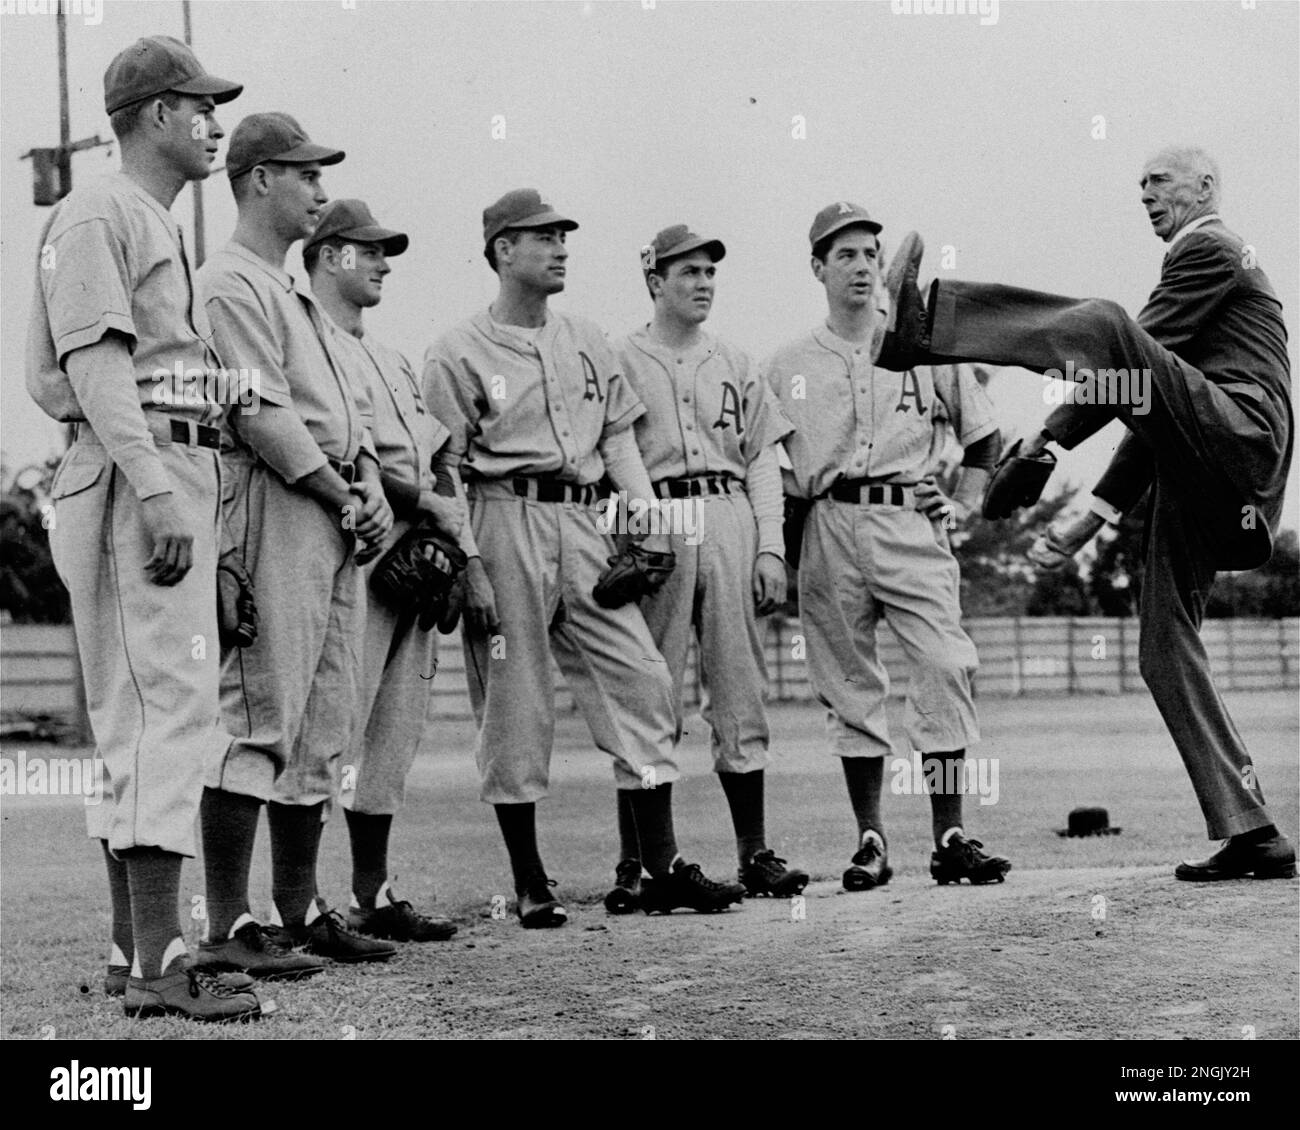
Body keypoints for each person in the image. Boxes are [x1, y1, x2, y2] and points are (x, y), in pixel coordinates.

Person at [878, 145, 1295, 881]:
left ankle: (930, 324)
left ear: (1206, 187)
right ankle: (1252, 830)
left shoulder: (1212, 249)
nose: (1145, 194)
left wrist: (1042, 443)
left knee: (1103, 322)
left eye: (1159, 181)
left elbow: (1123, 363)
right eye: (1138, 185)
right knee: (1162, 643)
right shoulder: (1195, 283)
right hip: (1210, 467)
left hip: (1241, 443)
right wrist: (1087, 519)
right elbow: (1153, 400)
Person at [423, 189, 746, 927]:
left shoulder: (587, 338)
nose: (562, 246)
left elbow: (617, 443)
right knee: (516, 699)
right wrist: (468, 556)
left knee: (645, 677)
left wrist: (649, 521)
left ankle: (661, 865)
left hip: (585, 519)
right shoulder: (457, 350)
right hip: (503, 517)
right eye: (544, 236)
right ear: (504, 250)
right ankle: (531, 879)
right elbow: (446, 467)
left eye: (564, 234)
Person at [27, 35, 261, 1020]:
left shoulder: (138, 217)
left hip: (163, 459)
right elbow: (89, 368)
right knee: (163, 712)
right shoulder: (97, 212)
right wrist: (156, 486)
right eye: (198, 106)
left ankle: (137, 948)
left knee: (153, 714)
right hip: (138, 473)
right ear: (157, 114)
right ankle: (160, 956)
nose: (212, 124)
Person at [195, 113, 400, 976]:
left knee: (322, 719)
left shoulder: (289, 292)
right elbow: (259, 411)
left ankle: (299, 907)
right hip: (274, 499)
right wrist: (336, 488)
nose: (319, 189)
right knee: (258, 715)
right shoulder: (228, 282)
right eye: (304, 173)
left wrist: (363, 490)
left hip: (327, 508)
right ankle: (228, 925)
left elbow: (342, 417)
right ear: (255, 180)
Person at [765, 202, 1012, 891]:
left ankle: (951, 835)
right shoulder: (786, 363)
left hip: (909, 516)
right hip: (828, 520)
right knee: (849, 685)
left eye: (872, 254)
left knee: (943, 662)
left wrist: (960, 499)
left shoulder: (921, 344)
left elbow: (984, 437)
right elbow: (762, 460)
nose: (863, 266)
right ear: (818, 267)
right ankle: (870, 839)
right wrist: (780, 537)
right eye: (845, 255)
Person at [601, 225, 806, 914]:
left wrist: (772, 546)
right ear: (654, 280)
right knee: (647, 686)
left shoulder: (737, 360)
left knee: (739, 684)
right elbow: (611, 449)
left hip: (726, 513)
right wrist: (632, 525)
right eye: (687, 272)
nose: (703, 283)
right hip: (654, 517)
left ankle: (754, 854)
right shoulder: (618, 357)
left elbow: (760, 461)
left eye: (709, 272)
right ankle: (639, 862)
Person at [302, 198, 462, 942]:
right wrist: (423, 500)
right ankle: (291, 900)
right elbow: (344, 452)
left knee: (395, 730)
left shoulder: (394, 358)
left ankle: (373, 891)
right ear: (330, 254)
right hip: (356, 543)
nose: (383, 263)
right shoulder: (311, 342)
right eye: (369, 251)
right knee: (330, 724)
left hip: (416, 553)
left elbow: (439, 447)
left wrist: (447, 529)